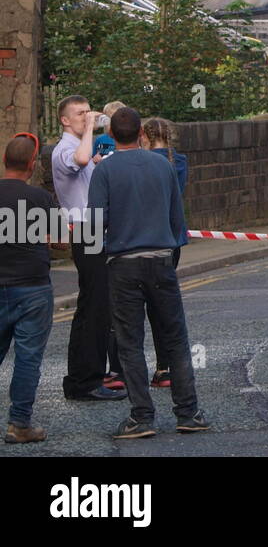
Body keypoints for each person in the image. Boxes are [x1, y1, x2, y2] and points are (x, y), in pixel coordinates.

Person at [89, 107, 209, 439]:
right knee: (175, 338)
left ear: (111, 135)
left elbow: (96, 222)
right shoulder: (163, 165)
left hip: (124, 262)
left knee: (129, 342)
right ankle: (188, 413)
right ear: (141, 133)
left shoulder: (105, 170)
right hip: (161, 259)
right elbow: (176, 218)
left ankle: (142, 417)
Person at [52, 95, 125, 403]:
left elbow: (90, 165)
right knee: (94, 308)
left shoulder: (82, 147)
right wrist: (89, 131)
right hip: (86, 230)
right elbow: (81, 160)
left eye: (88, 112)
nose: (86, 117)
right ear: (65, 120)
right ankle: (84, 382)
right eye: (79, 114)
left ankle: (84, 379)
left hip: (95, 229)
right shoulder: (65, 149)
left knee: (97, 307)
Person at [0, 134, 57, 443]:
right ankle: (19, 424)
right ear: (32, 165)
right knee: (28, 358)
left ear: (5, 161)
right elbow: (60, 241)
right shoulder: (40, 198)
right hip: (33, 287)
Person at [140, 118, 189, 388]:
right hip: (174, 240)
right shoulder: (179, 161)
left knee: (149, 307)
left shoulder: (144, 163)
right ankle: (172, 366)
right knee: (167, 305)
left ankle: (161, 368)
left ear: (144, 137)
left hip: (149, 239)